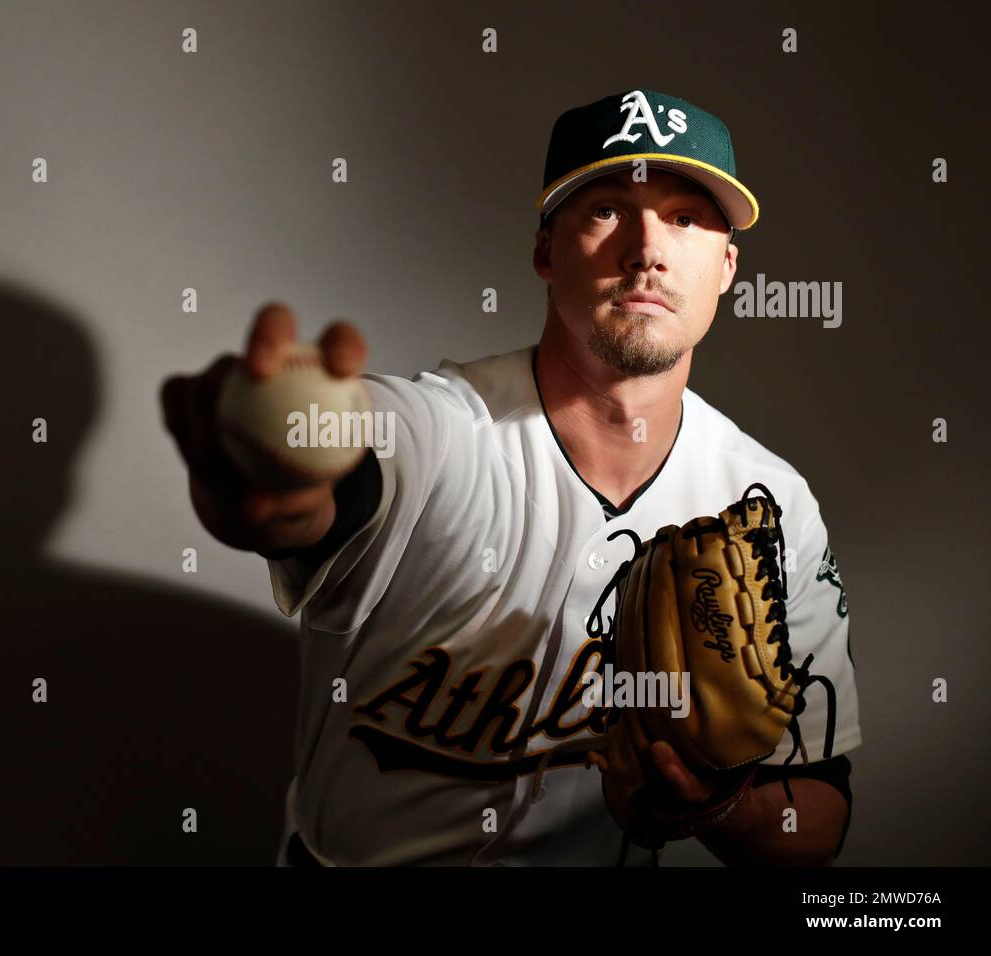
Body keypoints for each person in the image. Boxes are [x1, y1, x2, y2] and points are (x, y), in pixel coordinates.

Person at [161, 89, 861, 866]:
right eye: (606, 209)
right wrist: (267, 466)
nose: (647, 250)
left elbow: (817, 817)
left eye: (686, 218)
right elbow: (333, 476)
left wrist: (715, 806)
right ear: (544, 252)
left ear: (727, 267)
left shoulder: (772, 504)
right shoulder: (440, 432)